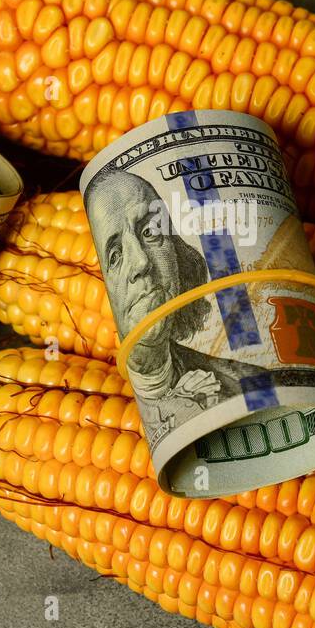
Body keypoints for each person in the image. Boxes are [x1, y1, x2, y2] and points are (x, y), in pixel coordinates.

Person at [84, 167, 267, 442]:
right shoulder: (96, 414)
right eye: (115, 256)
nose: (142, 262)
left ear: (177, 252)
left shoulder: (246, 382)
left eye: (149, 231)